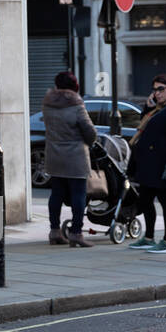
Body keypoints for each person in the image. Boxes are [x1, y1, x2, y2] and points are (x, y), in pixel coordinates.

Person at [127, 73, 166, 253]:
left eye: (161, 89)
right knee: (145, 200)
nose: (157, 93)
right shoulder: (156, 109)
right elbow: (145, 128)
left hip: (162, 164)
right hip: (148, 164)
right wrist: (147, 108)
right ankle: (149, 238)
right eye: (154, 90)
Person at [41, 71, 98, 247]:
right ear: (75, 86)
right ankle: (76, 233)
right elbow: (90, 132)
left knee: (56, 194)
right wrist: (90, 142)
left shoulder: (47, 104)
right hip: (75, 157)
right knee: (78, 195)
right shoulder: (77, 105)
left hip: (54, 155)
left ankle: (54, 231)